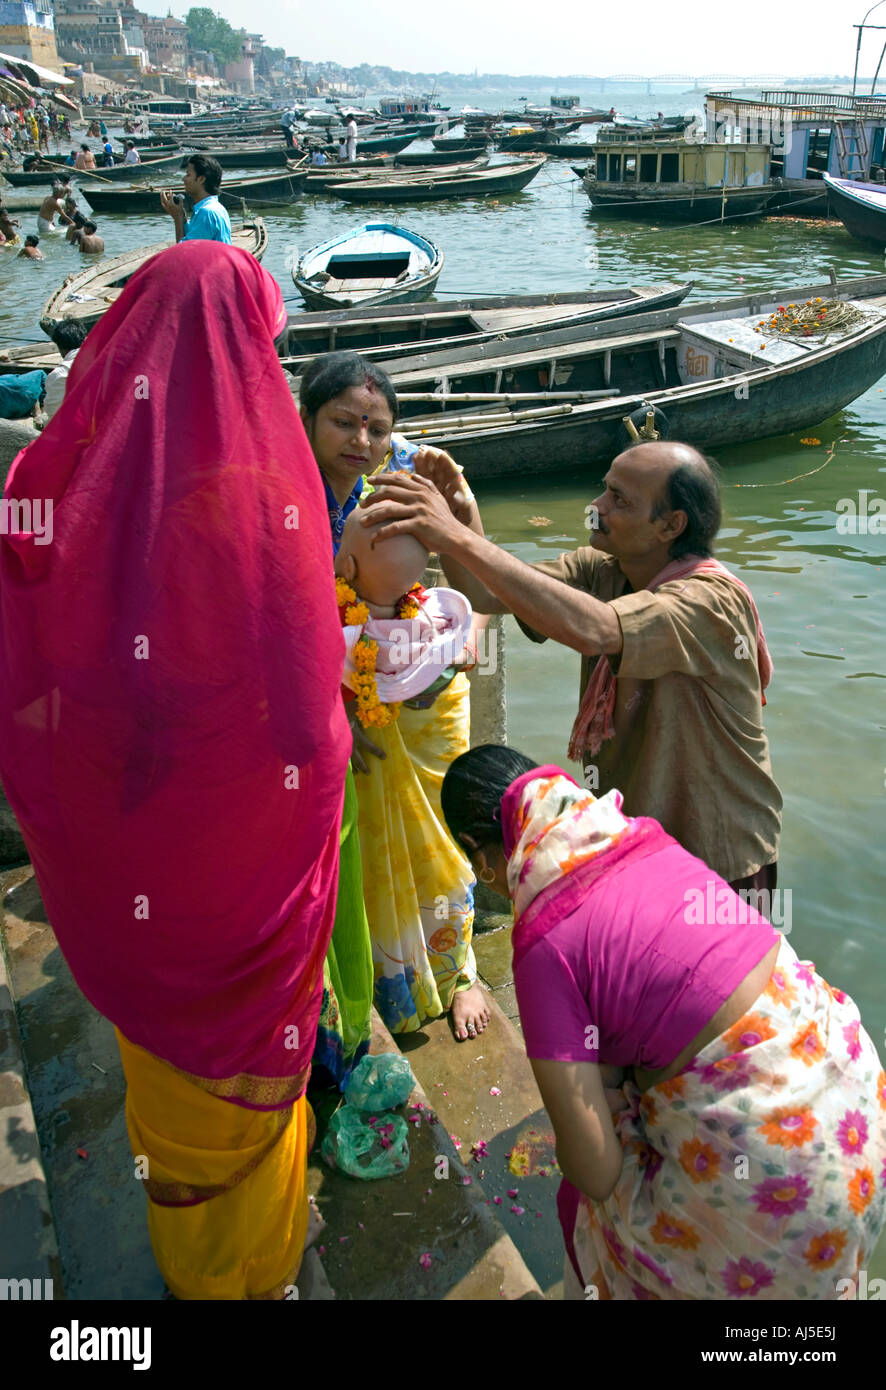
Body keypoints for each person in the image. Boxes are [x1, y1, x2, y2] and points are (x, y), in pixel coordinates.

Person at [0, 242, 350, 1299]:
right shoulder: (261, 491)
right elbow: (301, 711)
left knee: (165, 1059)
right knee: (246, 1065)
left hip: (130, 838)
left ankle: (197, 1268)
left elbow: (39, 635)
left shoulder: (67, 480)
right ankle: (260, 1272)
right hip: (242, 851)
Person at [441, 747, 886, 1300]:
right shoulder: (645, 837)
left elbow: (594, 1170)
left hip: (788, 1197)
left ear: (478, 859)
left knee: (603, 1205)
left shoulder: (543, 940)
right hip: (862, 1116)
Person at [361, 441, 781, 896]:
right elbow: (487, 594)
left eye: (619, 500)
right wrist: (462, 510)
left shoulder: (712, 601)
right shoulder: (602, 569)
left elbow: (596, 628)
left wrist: (453, 535)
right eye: (604, 491)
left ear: (670, 525)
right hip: (638, 841)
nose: (595, 508)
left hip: (718, 854)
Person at [299, 351, 492, 1044]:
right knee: (367, 847)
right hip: (336, 682)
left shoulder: (407, 465)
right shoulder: (284, 491)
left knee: (442, 828)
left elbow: (472, 555)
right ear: (307, 419)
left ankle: (461, 970)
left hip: (422, 681)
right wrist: (339, 705)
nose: (362, 442)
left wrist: (461, 506)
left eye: (376, 427)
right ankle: (387, 975)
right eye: (343, 423)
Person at [160, 154, 231, 244]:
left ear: (201, 179)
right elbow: (192, 236)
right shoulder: (217, 208)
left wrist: (177, 218)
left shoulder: (206, 213)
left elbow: (184, 253)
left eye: (188, 175)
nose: (183, 179)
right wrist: (181, 215)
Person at [43, 320, 89, 419]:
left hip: (80, 427)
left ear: (59, 347)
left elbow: (52, 411)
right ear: (85, 339)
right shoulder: (104, 359)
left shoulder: (58, 375)